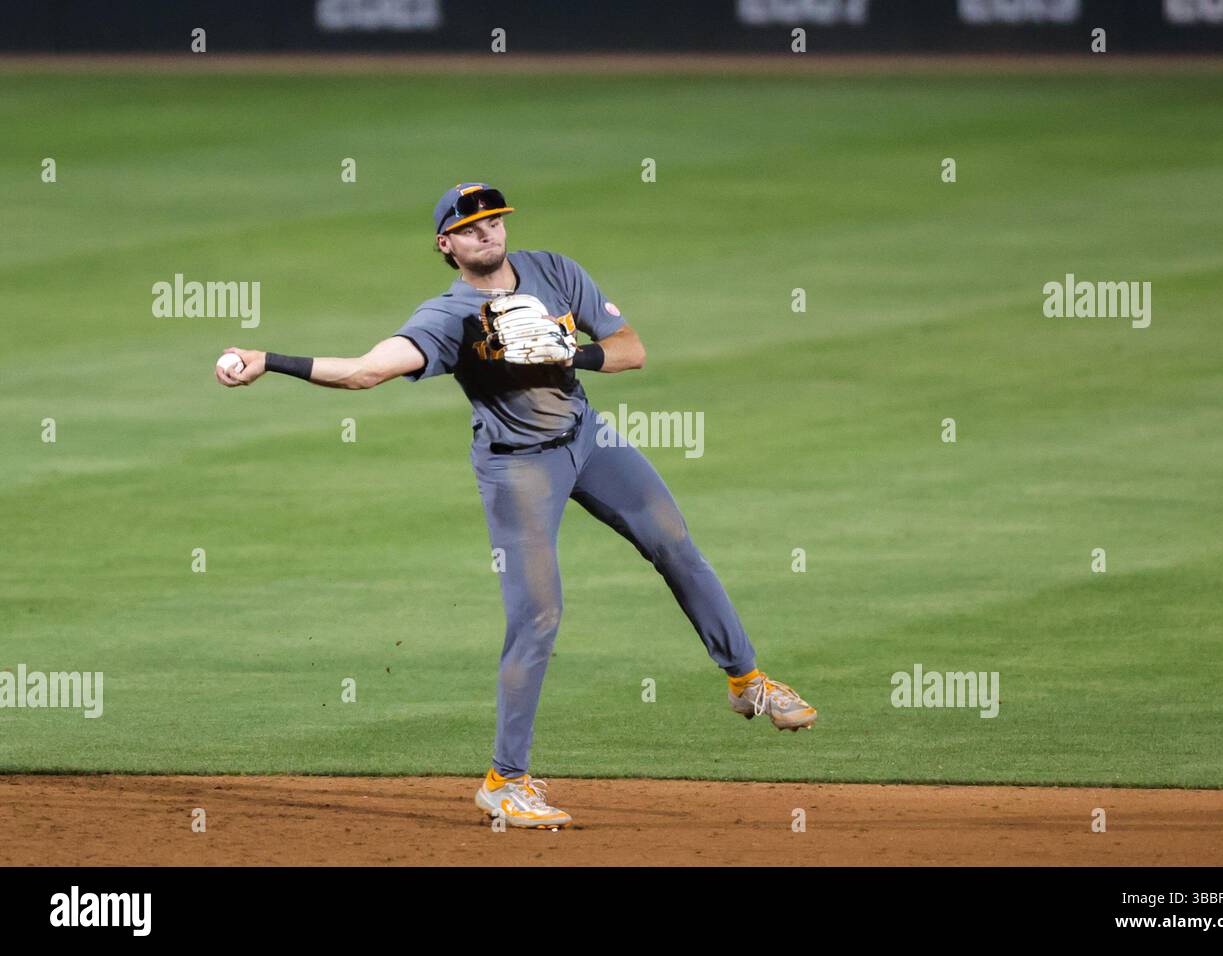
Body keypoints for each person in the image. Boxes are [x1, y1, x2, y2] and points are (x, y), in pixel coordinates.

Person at [215, 182, 817, 829]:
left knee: (675, 543)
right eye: (471, 228)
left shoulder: (553, 270)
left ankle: (747, 682)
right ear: (446, 244)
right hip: (518, 467)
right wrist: (268, 360)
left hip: (589, 438)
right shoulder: (449, 318)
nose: (489, 234)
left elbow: (631, 350)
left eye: (495, 222)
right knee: (538, 616)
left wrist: (573, 351)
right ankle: (505, 780)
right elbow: (367, 370)